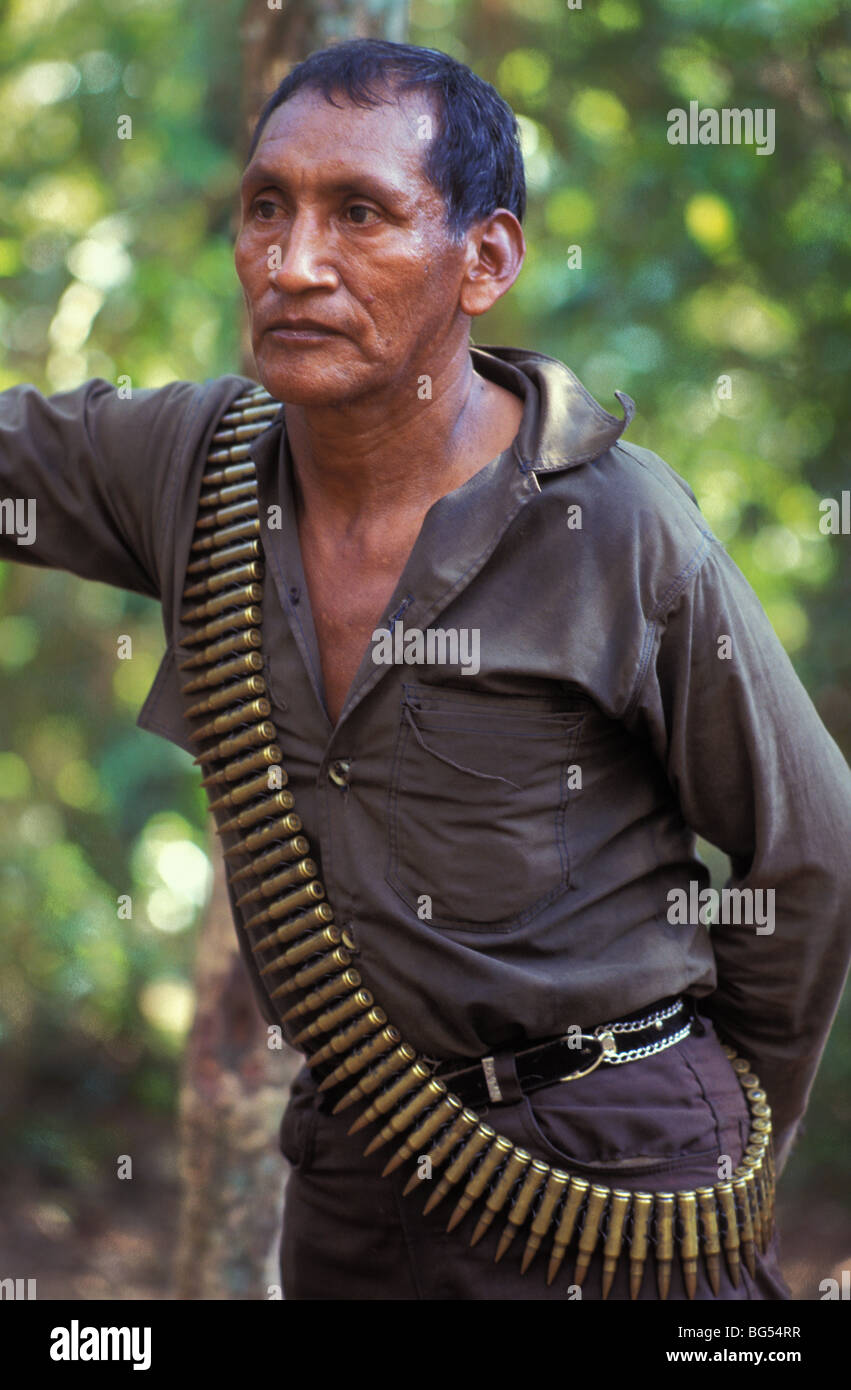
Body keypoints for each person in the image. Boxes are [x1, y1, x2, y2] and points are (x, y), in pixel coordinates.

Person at [1, 38, 850, 1302]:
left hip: (614, 1180)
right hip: (355, 1172)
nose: (293, 264)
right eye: (267, 209)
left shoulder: (614, 528)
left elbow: (812, 853)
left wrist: (724, 1139)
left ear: (485, 260)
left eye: (361, 214)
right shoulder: (189, 469)